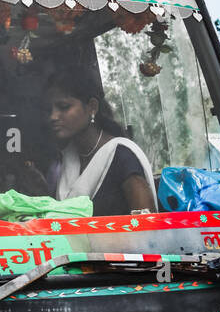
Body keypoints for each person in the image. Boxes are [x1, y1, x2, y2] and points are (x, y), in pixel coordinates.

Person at [45, 80, 157, 216]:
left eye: (63, 107)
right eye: (49, 110)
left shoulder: (121, 155)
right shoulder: (68, 158)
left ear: (92, 107)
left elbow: (147, 225)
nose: (53, 116)